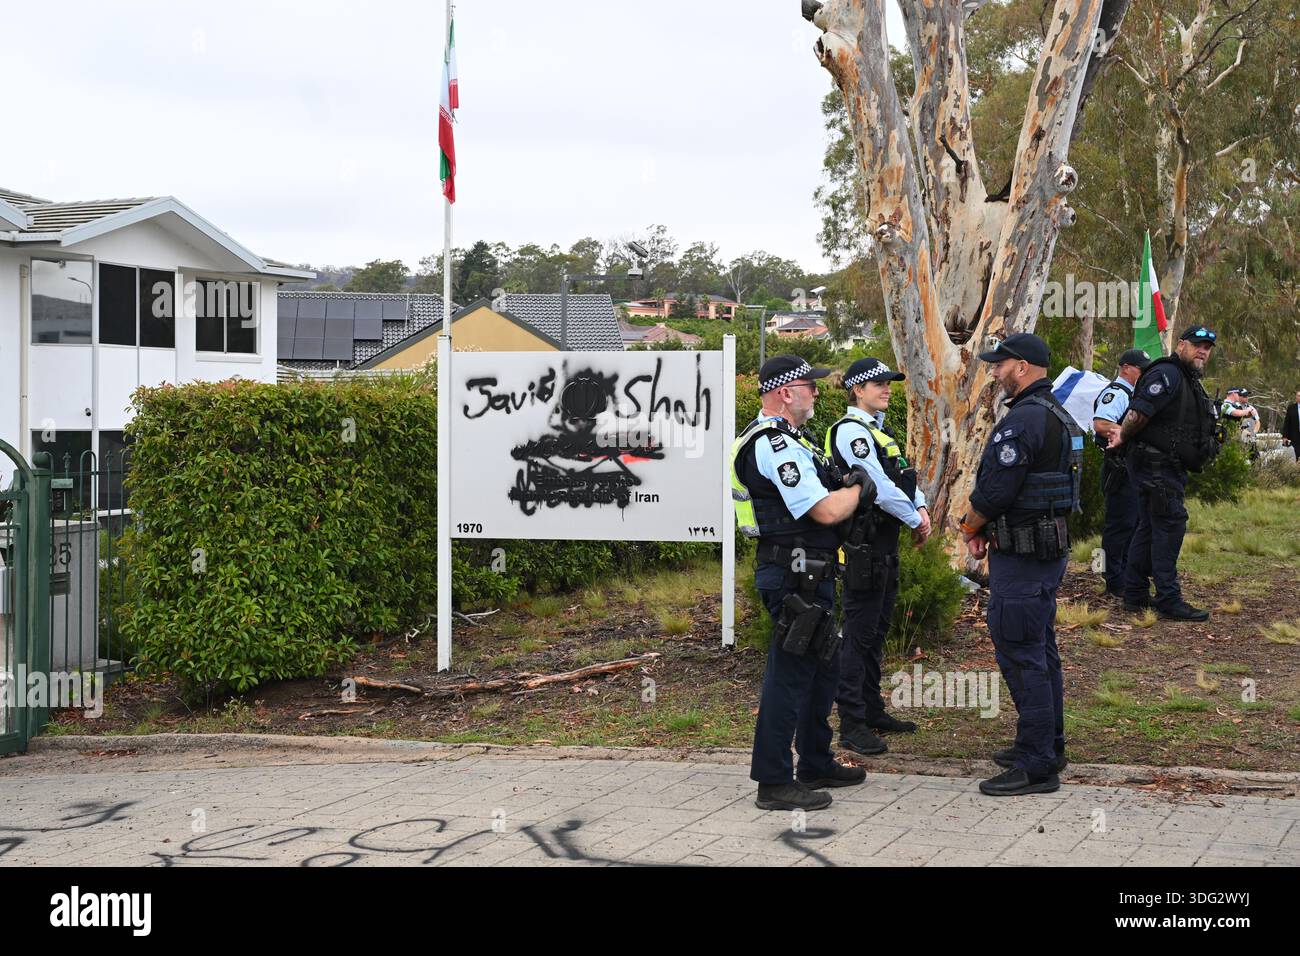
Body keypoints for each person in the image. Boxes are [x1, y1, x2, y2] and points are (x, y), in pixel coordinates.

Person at [732, 354, 874, 811]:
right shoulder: (773, 446)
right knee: (789, 676)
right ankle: (773, 781)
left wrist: (845, 483)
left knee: (822, 669)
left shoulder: (797, 441)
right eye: (810, 384)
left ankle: (814, 760)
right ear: (785, 392)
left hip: (811, 572)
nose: (817, 391)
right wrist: (857, 490)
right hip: (793, 576)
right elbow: (826, 511)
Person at [959, 332, 1082, 797]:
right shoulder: (1058, 414)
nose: (994, 372)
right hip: (1044, 552)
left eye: (1000, 365)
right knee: (1041, 650)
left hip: (1025, 559)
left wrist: (970, 527)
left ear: (1023, 367)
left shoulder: (1024, 420)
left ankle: (1036, 767)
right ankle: (1047, 745)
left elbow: (996, 492)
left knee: (1021, 652)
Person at [823, 358, 931, 756]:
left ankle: (871, 710)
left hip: (883, 544)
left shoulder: (876, 431)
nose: (887, 388)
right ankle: (852, 723)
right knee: (858, 634)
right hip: (862, 546)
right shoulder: (851, 432)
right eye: (878, 383)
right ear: (856, 390)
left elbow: (901, 475)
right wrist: (915, 521)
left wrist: (920, 508)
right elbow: (879, 488)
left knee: (875, 632)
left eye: (889, 382)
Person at [1107, 326, 1221, 621]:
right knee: (1171, 524)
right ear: (1181, 345)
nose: (1203, 351)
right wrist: (1123, 436)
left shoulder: (1185, 378)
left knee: (1149, 526)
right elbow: (1138, 413)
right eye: (1197, 345)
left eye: (1207, 348)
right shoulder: (1167, 374)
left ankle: (1134, 593)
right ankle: (1169, 598)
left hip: (1164, 465)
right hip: (1156, 466)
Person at [1091, 349, 1151, 599]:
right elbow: (1101, 424)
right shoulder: (1116, 393)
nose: (1144, 373)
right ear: (1125, 368)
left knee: (1134, 523)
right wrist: (1131, 431)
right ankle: (1112, 579)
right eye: (1141, 368)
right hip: (1119, 468)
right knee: (1119, 525)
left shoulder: (1134, 393)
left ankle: (1126, 574)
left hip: (1132, 468)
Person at [1283, 389, 1300, 461]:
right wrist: (1285, 436)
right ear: (1296, 397)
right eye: (1299, 396)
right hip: (1295, 437)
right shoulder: (1291, 408)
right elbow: (1287, 423)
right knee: (1298, 455)